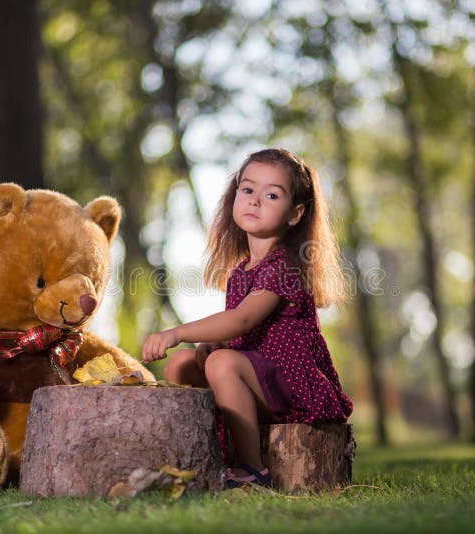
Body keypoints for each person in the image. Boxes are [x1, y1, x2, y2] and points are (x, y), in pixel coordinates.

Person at [142, 148, 352, 488]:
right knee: (181, 364)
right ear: (235, 195)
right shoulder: (242, 270)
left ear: (295, 213)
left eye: (271, 195)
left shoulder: (284, 265)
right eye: (248, 189)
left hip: (292, 382)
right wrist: (214, 339)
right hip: (258, 375)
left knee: (222, 363)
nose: (255, 201)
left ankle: (252, 469)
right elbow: (242, 329)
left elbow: (242, 320)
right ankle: (195, 456)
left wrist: (176, 332)